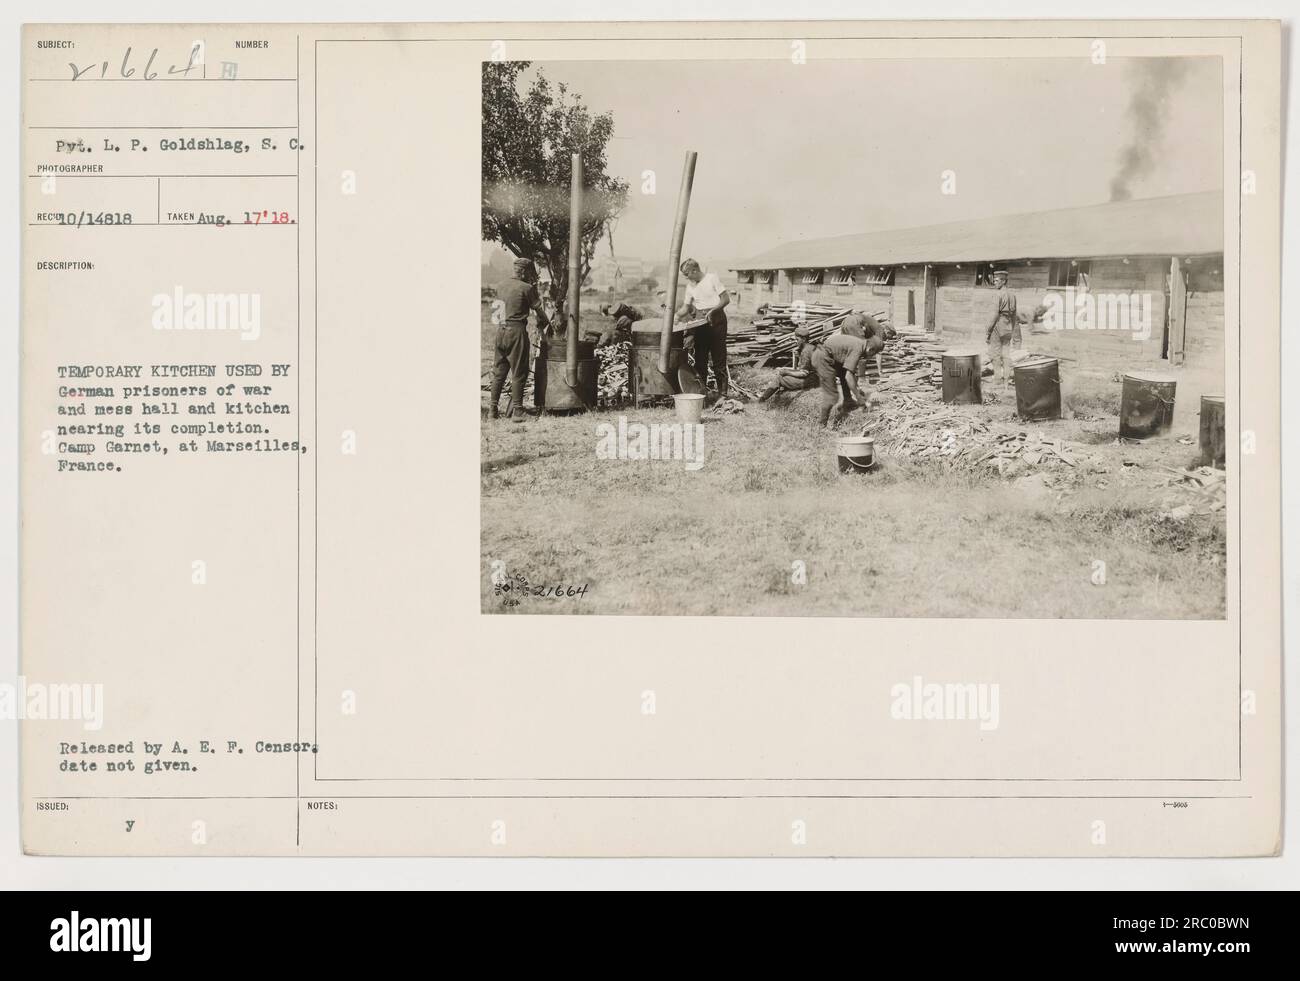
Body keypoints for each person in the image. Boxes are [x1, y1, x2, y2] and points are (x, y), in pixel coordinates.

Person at [489, 258, 550, 419]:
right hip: (516, 332)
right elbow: (539, 311)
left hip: (500, 330)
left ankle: (492, 411)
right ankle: (517, 411)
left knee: (499, 372)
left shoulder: (501, 285)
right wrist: (545, 321)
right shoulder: (527, 288)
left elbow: (496, 313)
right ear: (524, 271)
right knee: (519, 371)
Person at [676, 258, 730, 400]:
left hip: (717, 321)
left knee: (718, 358)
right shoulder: (690, 286)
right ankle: (701, 395)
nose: (686, 277)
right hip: (700, 324)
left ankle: (723, 395)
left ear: (694, 270)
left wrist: (713, 311)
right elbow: (686, 308)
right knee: (700, 360)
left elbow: (725, 299)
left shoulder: (712, 278)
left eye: (686, 274)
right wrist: (675, 316)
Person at [811, 331, 870, 427]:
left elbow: (849, 371)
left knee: (843, 372)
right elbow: (849, 376)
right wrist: (859, 397)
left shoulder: (860, 344)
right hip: (822, 358)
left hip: (830, 356)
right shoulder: (858, 348)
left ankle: (848, 401)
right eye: (872, 354)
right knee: (832, 395)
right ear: (870, 349)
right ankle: (821, 425)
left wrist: (857, 389)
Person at [756, 325, 820, 402]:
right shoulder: (811, 347)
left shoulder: (805, 351)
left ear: (803, 339)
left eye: (797, 340)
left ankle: (762, 399)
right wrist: (798, 357)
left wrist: (787, 372)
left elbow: (803, 373)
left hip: (813, 380)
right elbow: (806, 367)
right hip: (817, 378)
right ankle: (774, 395)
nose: (796, 342)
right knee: (785, 375)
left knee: (780, 378)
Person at [984, 268, 1021, 387]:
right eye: (994, 280)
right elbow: (1015, 316)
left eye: (997, 280)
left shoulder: (998, 295)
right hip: (1008, 326)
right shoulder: (1013, 295)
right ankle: (1006, 380)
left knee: (995, 354)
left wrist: (988, 331)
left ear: (1004, 281)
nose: (994, 282)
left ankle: (997, 380)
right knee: (1006, 354)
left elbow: (994, 315)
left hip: (998, 326)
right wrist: (1017, 337)